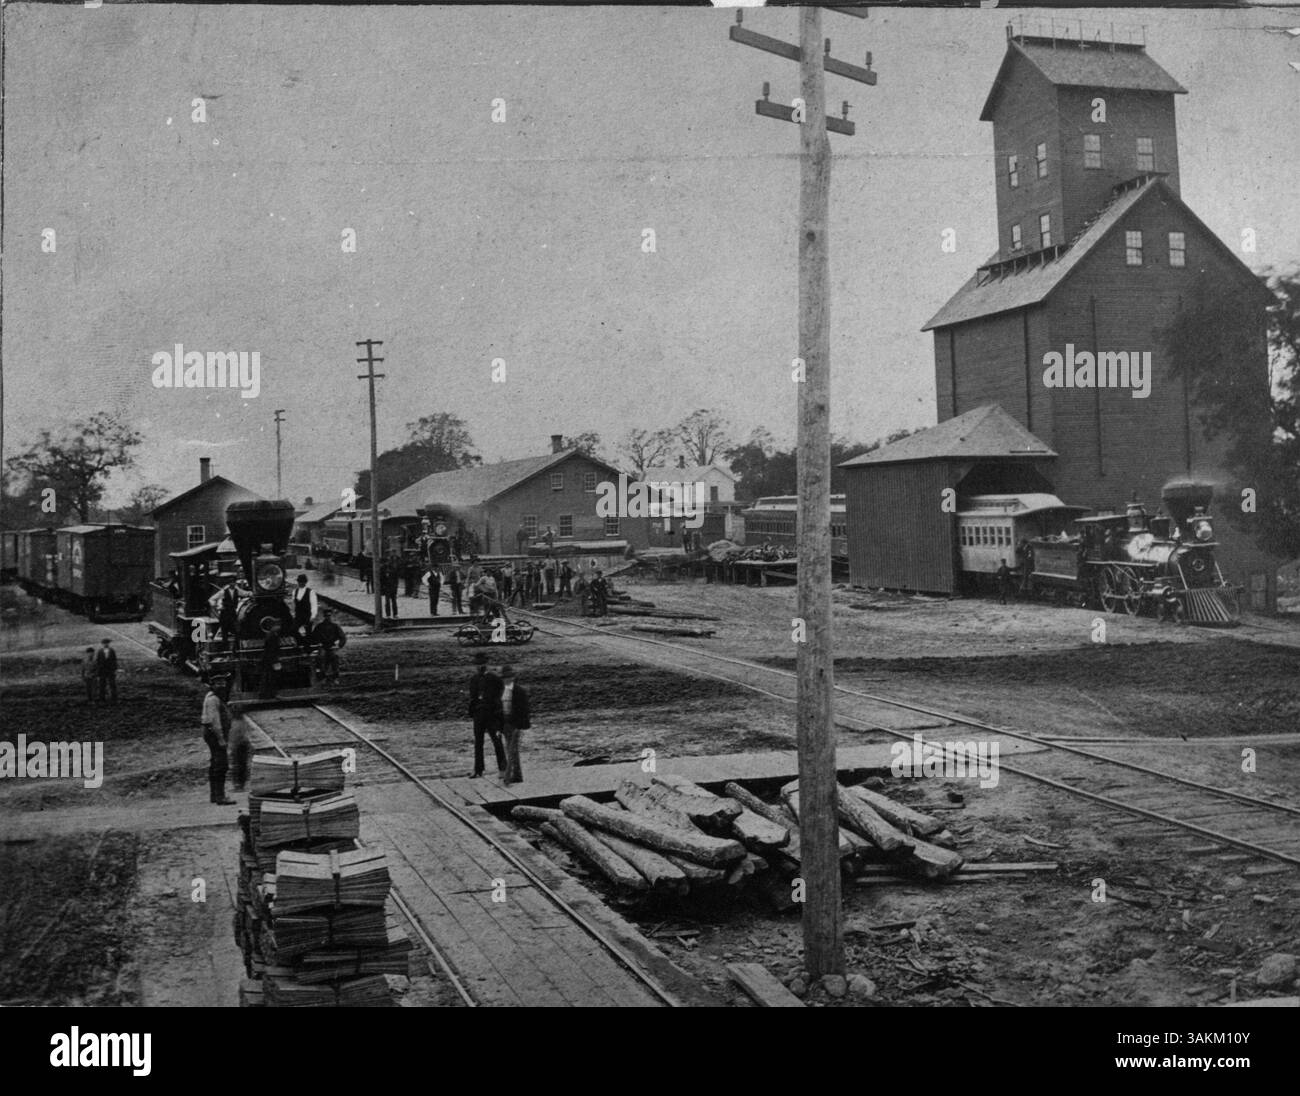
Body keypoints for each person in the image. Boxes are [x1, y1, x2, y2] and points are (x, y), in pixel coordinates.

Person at [467, 654, 507, 778]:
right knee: (478, 742)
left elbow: (502, 693)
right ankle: (478, 769)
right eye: (477, 665)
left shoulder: (494, 679)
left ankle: (503, 769)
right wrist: (473, 710)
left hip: (492, 714)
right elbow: (472, 696)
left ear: (487, 665)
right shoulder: (474, 679)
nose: (480, 667)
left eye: (482, 664)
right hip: (478, 714)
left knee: (497, 741)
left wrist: (498, 709)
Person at [201, 679, 236, 805]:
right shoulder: (213, 700)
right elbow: (215, 722)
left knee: (215, 763)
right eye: (218, 683)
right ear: (212, 685)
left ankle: (214, 795)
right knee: (221, 765)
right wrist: (221, 739)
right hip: (214, 735)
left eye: (223, 683)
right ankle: (220, 797)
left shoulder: (214, 697)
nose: (222, 686)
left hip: (211, 734)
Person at [500, 664, 531, 785]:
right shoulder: (501, 690)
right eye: (505, 677)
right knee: (510, 749)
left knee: (512, 749)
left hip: (515, 723)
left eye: (509, 677)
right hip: (505, 722)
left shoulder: (519, 691)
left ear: (513, 678)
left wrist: (520, 726)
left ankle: (514, 775)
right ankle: (515, 775)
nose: (507, 679)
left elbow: (524, 710)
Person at [311, 608, 347, 683]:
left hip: (331, 646)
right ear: (324, 617)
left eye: (329, 616)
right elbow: (314, 637)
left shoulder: (335, 626)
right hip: (322, 646)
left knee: (334, 657)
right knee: (320, 657)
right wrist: (318, 643)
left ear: (331, 617)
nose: (328, 618)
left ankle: (335, 676)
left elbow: (343, 637)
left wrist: (339, 646)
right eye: (326, 616)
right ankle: (322, 675)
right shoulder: (319, 627)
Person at [292, 574, 318, 643]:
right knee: (293, 630)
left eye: (302, 582)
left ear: (305, 582)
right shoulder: (295, 591)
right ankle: (301, 642)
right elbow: (294, 604)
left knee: (308, 633)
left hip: (307, 616)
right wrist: (293, 614)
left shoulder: (310, 592)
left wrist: (313, 616)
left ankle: (308, 649)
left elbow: (314, 605)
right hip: (298, 616)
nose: (300, 583)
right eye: (299, 582)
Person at [259, 622, 281, 700]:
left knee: (268, 677)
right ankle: (269, 694)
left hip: (269, 658)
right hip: (270, 659)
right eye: (278, 626)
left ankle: (266, 694)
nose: (279, 627)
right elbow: (271, 649)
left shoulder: (272, 635)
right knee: (270, 677)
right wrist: (275, 660)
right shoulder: (272, 636)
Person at [96, 638, 118, 702]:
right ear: (102, 644)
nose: (106, 644)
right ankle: (102, 698)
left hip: (110, 670)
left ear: (109, 643)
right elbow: (98, 661)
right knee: (102, 685)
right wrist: (98, 670)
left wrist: (114, 669)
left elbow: (114, 660)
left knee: (112, 684)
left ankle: (114, 698)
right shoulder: (100, 651)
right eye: (104, 643)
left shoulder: (112, 651)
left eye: (107, 643)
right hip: (102, 670)